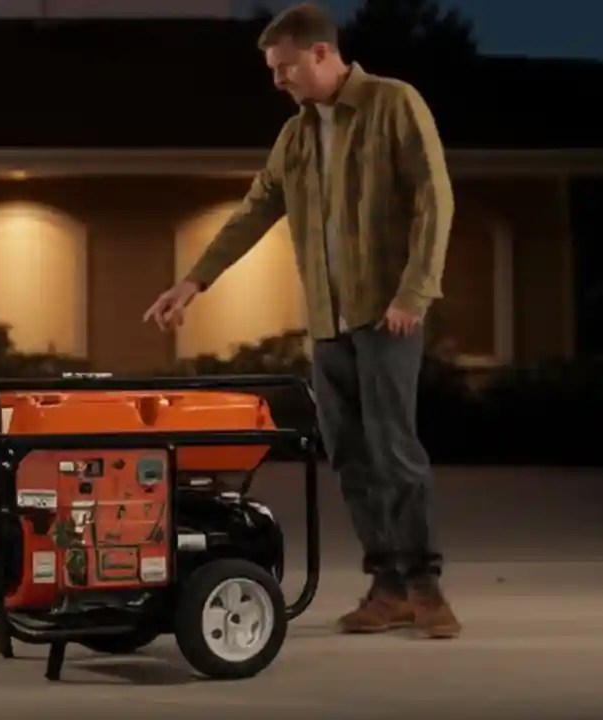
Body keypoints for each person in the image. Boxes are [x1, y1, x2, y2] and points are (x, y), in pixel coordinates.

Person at [142, 2, 460, 639]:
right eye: (272, 70)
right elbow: (254, 211)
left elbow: (434, 196)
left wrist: (414, 293)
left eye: (284, 67)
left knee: (395, 451)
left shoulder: (393, 104)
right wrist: (192, 281)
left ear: (321, 53)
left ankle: (425, 585)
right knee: (348, 455)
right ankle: (388, 585)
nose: (277, 80)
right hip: (329, 323)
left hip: (387, 315)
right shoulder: (296, 136)